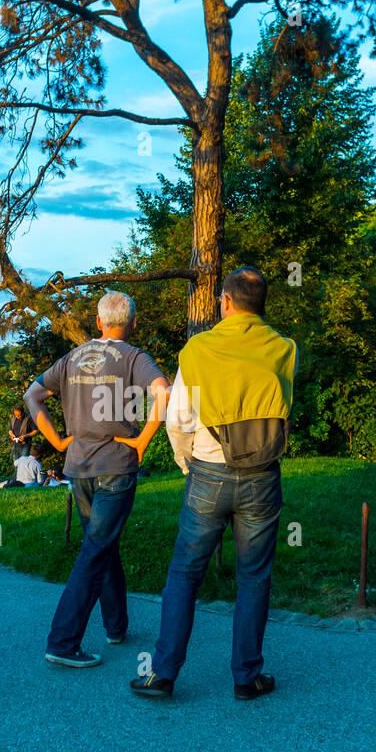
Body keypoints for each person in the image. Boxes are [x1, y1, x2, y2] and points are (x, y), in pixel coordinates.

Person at [131, 266, 296, 700]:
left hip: (209, 470)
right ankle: (247, 677)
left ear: (225, 302)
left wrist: (190, 465)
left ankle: (163, 673)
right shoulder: (283, 349)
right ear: (261, 304)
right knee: (255, 577)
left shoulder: (198, 349)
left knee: (185, 573)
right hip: (262, 475)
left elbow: (179, 419)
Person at [26, 291, 168, 667]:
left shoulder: (72, 357)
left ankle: (116, 625)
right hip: (117, 467)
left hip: (79, 468)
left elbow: (32, 396)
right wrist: (142, 441)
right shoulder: (135, 357)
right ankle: (62, 642)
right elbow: (163, 392)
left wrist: (56, 439)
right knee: (95, 550)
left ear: (99, 321)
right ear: (133, 322)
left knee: (103, 544)